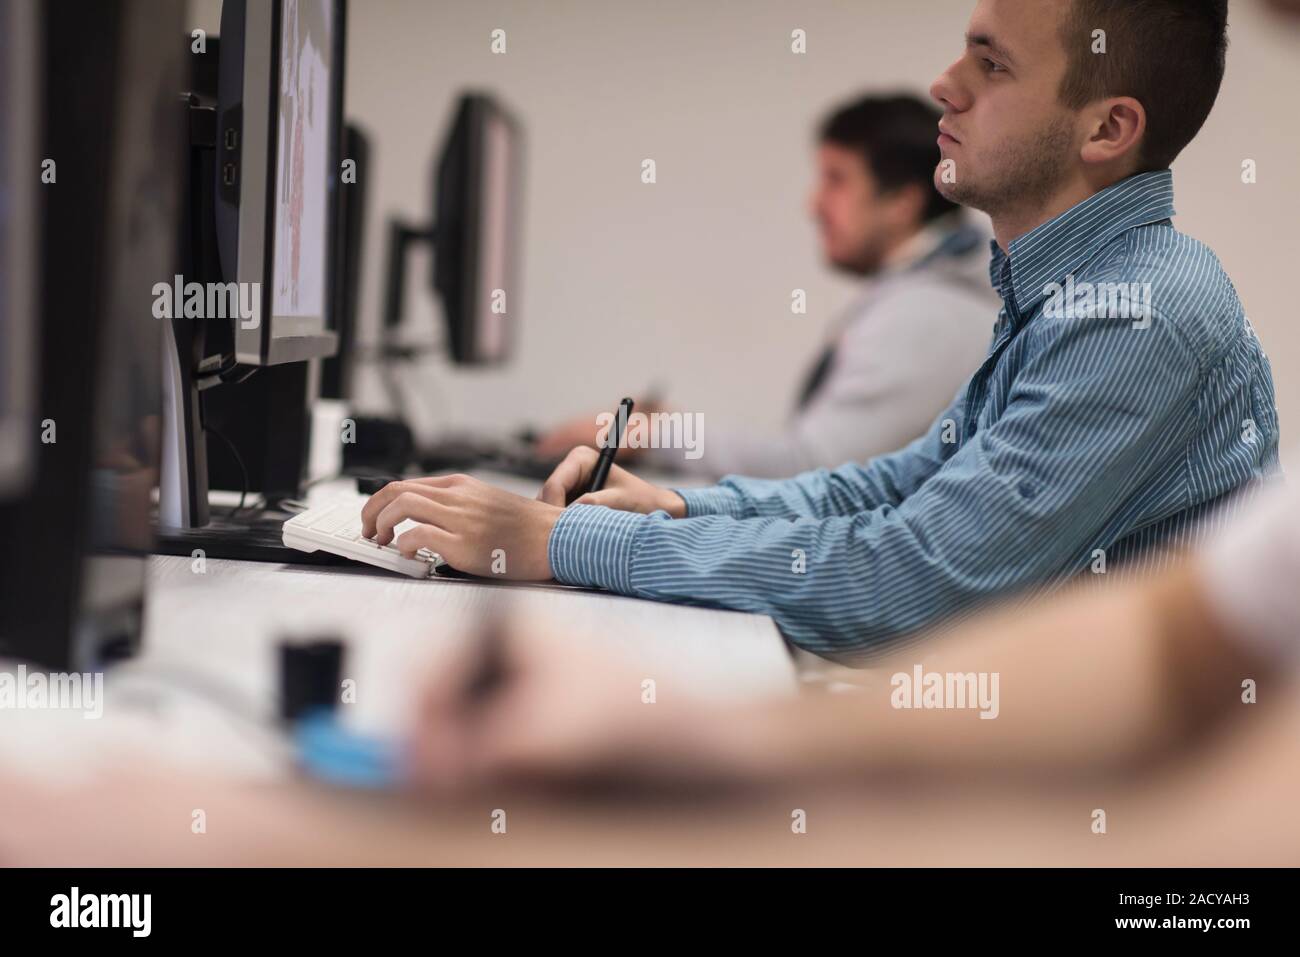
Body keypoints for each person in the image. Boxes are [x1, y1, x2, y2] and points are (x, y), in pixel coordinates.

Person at [356, 0, 1279, 661]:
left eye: (991, 65)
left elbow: (912, 581)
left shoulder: (1136, 308)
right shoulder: (1062, 287)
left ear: (1108, 128)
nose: (944, 85)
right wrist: (684, 506)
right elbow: (904, 482)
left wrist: (556, 541)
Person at [534, 94, 999, 479]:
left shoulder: (928, 315)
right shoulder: (922, 296)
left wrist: (643, 434)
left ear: (902, 203)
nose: (813, 204)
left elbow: (810, 467)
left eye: (836, 180)